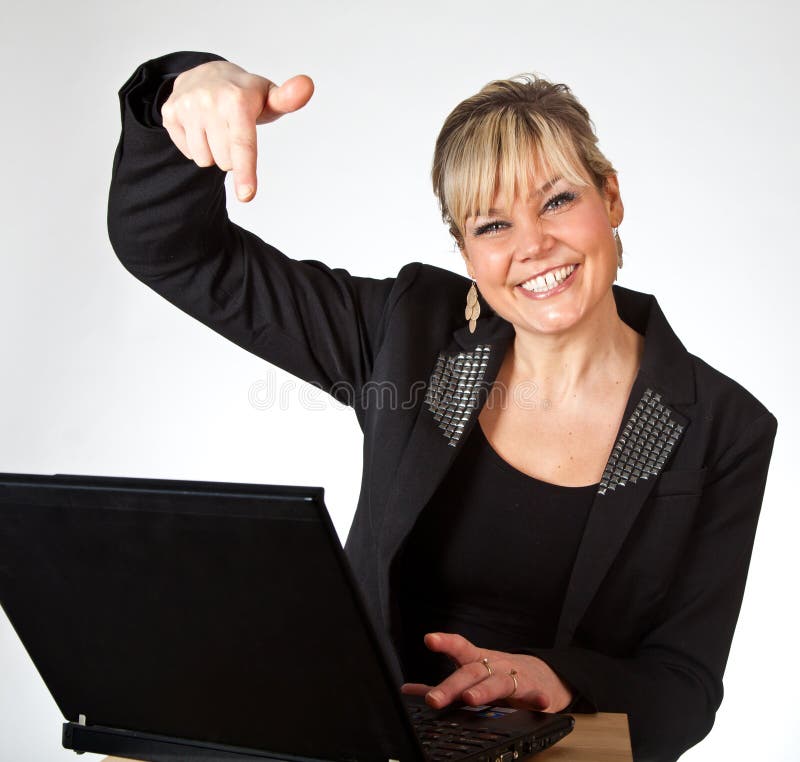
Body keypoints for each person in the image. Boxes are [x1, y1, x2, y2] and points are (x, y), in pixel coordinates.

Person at [108, 51, 777, 762]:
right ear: (464, 250)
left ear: (610, 197)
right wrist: (177, 92)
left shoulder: (721, 427)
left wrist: (558, 679)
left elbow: (685, 683)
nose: (534, 245)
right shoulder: (409, 334)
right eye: (492, 226)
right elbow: (175, 254)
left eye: (557, 200)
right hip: (359, 738)